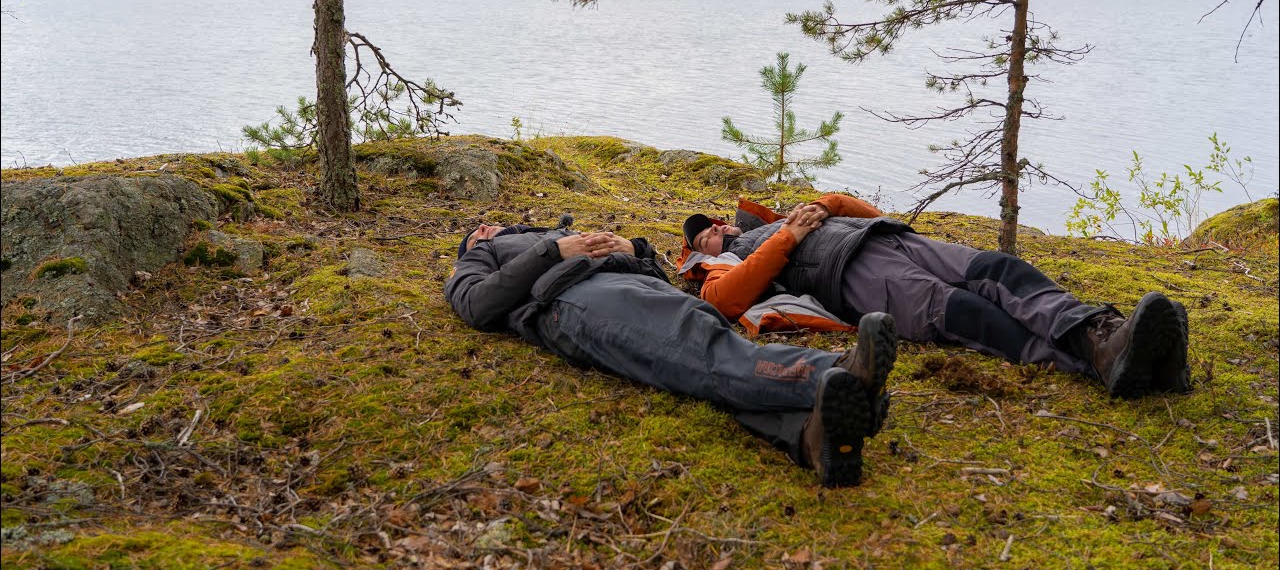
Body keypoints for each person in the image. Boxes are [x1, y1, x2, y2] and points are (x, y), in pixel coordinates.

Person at [444, 214, 900, 488]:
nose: (482, 228)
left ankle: (809, 434)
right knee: (702, 350)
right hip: (576, 301)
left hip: (630, 287)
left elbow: (659, 276)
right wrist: (550, 251)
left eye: (488, 226)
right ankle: (833, 374)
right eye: (475, 232)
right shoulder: (481, 259)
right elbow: (477, 306)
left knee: (697, 357)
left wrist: (635, 250)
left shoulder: (558, 235)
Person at [680, 195, 1191, 399]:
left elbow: (860, 207)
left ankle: (1102, 332)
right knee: (970, 314)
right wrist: (787, 237)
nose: (716, 229)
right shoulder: (720, 268)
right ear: (697, 254)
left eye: (716, 222)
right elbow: (728, 299)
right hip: (850, 281)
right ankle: (1103, 361)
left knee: (999, 269)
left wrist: (820, 203)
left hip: (886, 238)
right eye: (704, 236)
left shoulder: (781, 215)